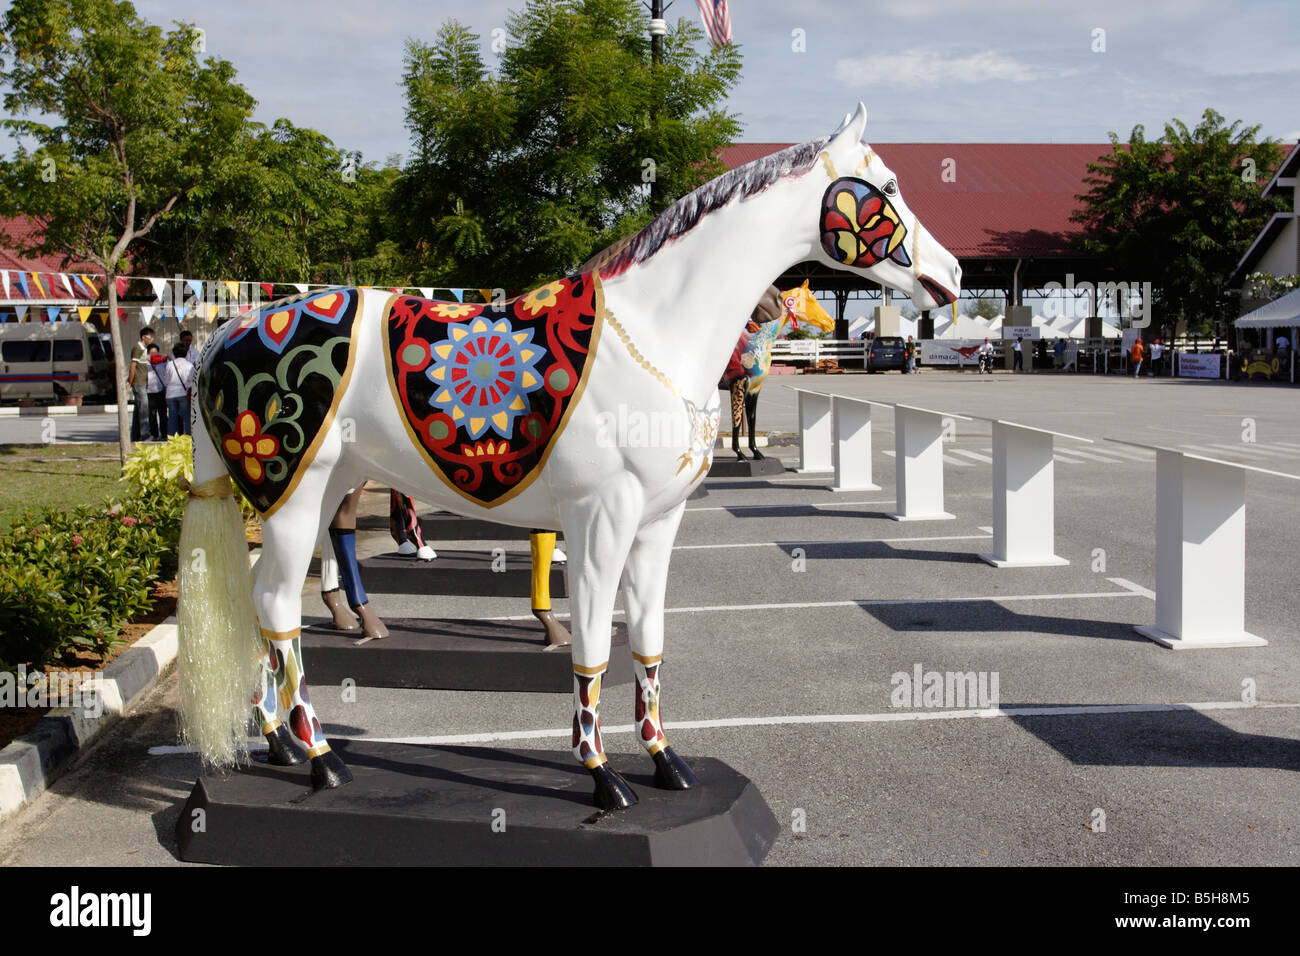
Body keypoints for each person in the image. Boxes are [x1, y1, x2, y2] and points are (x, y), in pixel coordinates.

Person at [127, 327, 155, 441]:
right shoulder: (137, 348)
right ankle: (145, 434)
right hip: (138, 382)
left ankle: (135, 435)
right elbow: (133, 366)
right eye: (150, 337)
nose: (151, 340)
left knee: (138, 410)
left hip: (144, 382)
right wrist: (130, 381)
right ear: (143, 337)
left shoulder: (144, 349)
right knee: (144, 409)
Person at [163, 343, 194, 436]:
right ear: (186, 353)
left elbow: (166, 379)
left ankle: (172, 437)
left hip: (170, 393)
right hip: (183, 392)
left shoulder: (169, 364)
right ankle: (188, 436)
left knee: (172, 417)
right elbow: (191, 380)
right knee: (186, 417)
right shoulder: (189, 365)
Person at [146, 343, 168, 439]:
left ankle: (164, 434)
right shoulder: (145, 362)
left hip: (161, 390)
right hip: (150, 391)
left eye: (155, 352)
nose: (154, 354)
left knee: (162, 414)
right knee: (152, 414)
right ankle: (154, 434)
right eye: (151, 353)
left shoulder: (163, 362)